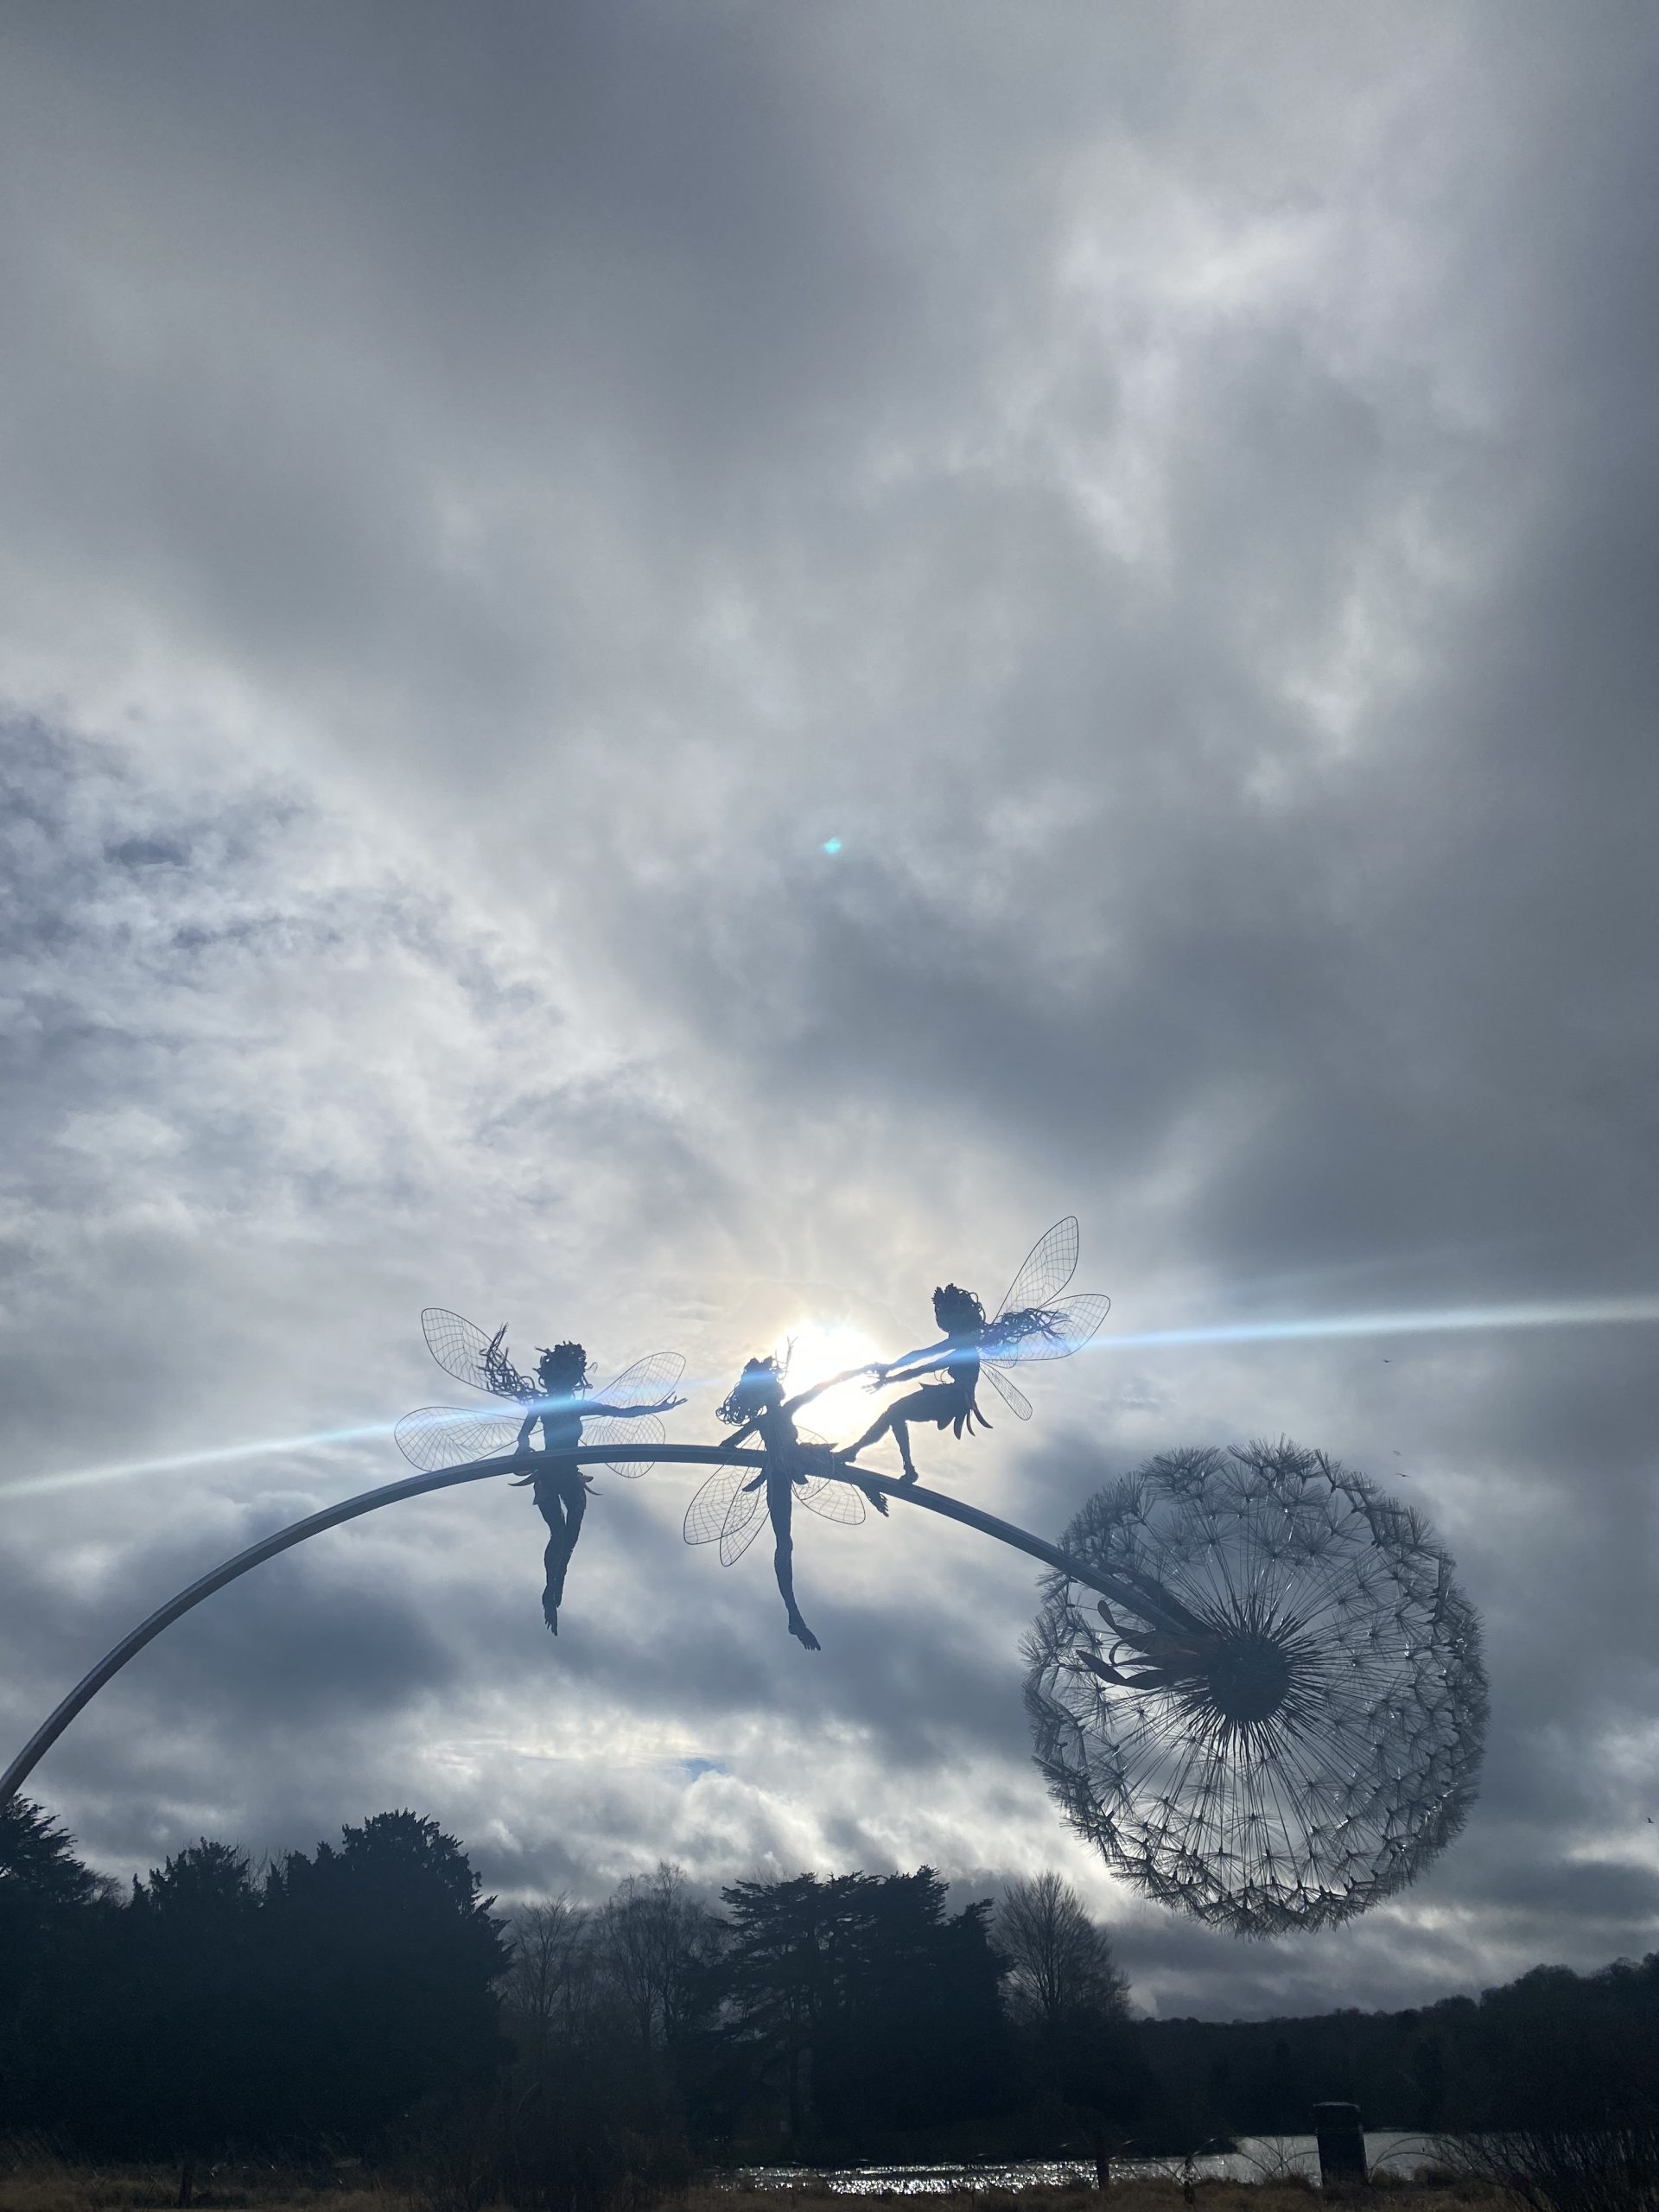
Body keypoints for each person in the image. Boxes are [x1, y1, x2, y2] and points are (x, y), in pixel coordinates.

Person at [512, 1341, 683, 1634]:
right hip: (550, 1475)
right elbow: (523, 1436)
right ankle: (549, 1589)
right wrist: (524, 1449)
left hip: (570, 1474)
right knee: (558, 1532)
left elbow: (622, 1412)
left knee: (571, 1534)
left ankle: (558, 1580)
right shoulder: (544, 1406)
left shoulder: (578, 1406)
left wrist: (658, 1407)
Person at [715, 1356, 837, 1652]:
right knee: (785, 1544)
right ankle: (794, 1616)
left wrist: (843, 1375)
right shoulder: (766, 1420)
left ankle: (794, 1616)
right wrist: (767, 1460)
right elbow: (726, 1447)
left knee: (786, 1542)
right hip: (778, 1476)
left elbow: (816, 1390)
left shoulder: (784, 1410)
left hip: (797, 1462)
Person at [836, 1282, 989, 1483]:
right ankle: (903, 1467)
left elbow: (923, 1364)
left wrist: (889, 1375)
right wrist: (889, 1369)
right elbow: (921, 1357)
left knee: (895, 1411)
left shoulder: (964, 1346)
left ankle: (857, 1452)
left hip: (954, 1397)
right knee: (895, 1413)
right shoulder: (963, 1344)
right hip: (955, 1398)